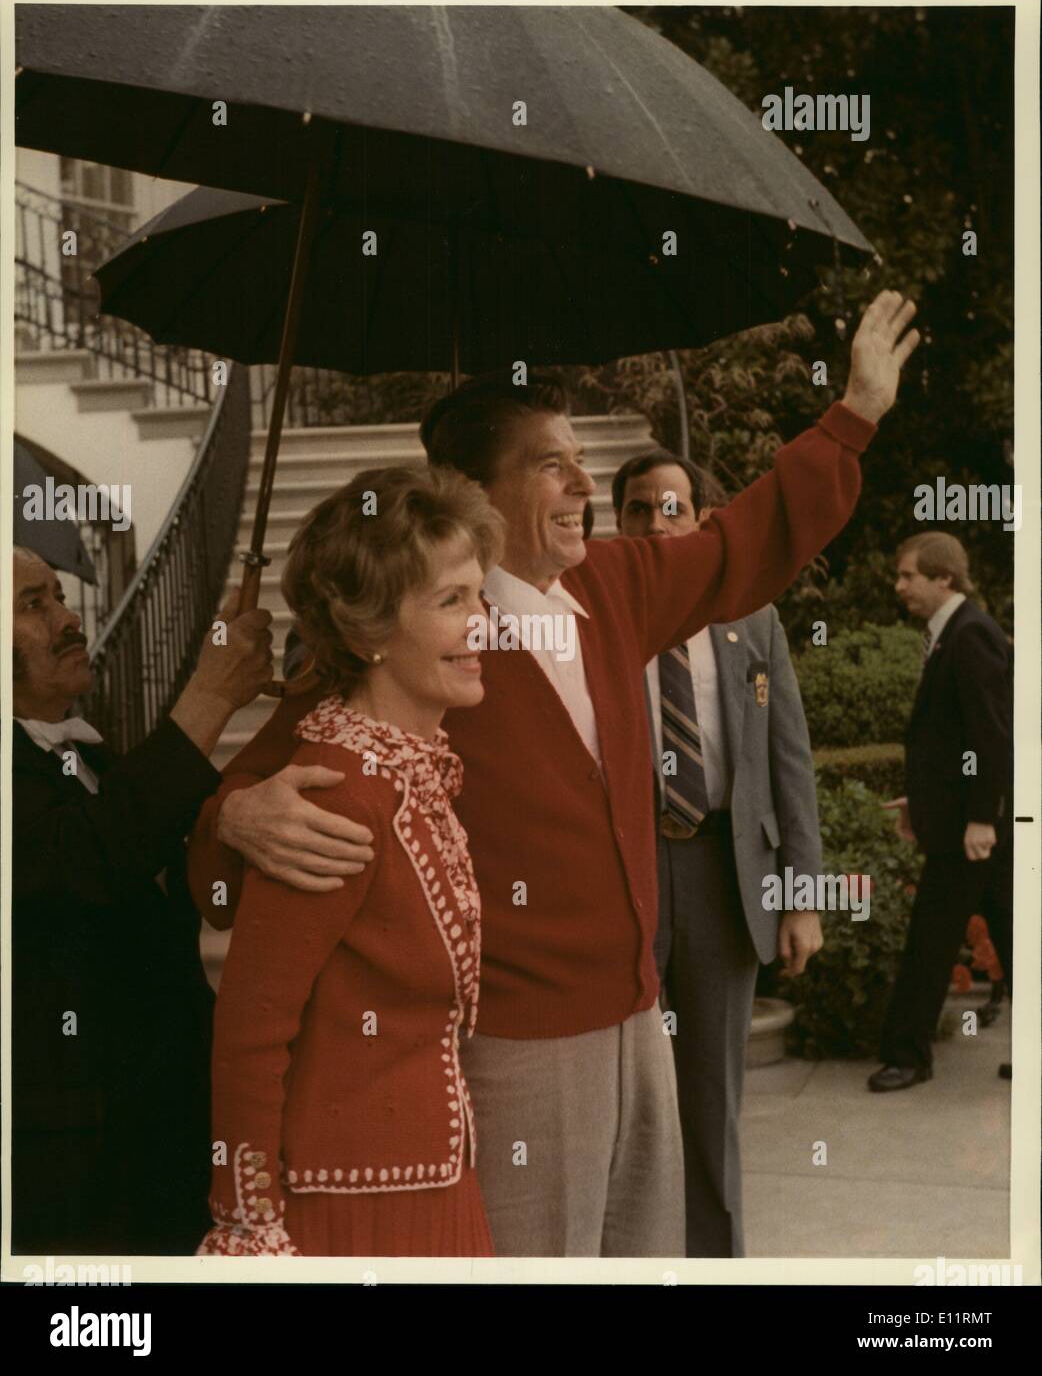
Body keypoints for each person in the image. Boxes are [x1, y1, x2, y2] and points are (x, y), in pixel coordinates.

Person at [188, 291, 919, 1257]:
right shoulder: (415, 637)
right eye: (551, 463)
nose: (585, 481)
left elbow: (745, 542)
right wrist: (235, 818)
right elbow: (270, 781)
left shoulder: (616, 585)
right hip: (514, 1051)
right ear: (476, 490)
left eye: (581, 458)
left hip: (638, 1015)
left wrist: (852, 416)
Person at [195, 466, 503, 1258]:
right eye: (451, 601)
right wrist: (248, 1224)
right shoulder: (336, 792)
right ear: (367, 630)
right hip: (353, 1219)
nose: (485, 625)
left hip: (431, 1187)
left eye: (480, 595)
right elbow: (251, 1033)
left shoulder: (412, 765)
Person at [10, 546, 272, 1254]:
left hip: (160, 1130)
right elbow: (88, 855)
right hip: (72, 1172)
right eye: (33, 604)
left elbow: (144, 832)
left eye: (59, 597)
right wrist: (211, 695)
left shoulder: (84, 753)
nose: (69, 620)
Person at [613, 451, 823, 1257]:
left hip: (723, 876)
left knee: (711, 1094)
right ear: (619, 522)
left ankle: (713, 1264)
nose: (657, 523)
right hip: (623, 879)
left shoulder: (751, 618)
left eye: (673, 507)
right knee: (628, 1095)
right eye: (639, 509)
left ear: (705, 517)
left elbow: (787, 759)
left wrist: (802, 896)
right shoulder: (601, 616)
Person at [871, 532, 1013, 1091]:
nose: (899, 585)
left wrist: (980, 818)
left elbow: (989, 735)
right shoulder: (955, 632)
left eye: (909, 576)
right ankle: (908, 1052)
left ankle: (907, 1055)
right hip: (967, 823)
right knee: (1016, 939)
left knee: (930, 941)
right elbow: (956, 744)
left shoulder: (970, 634)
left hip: (971, 832)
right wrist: (925, 800)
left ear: (943, 579)